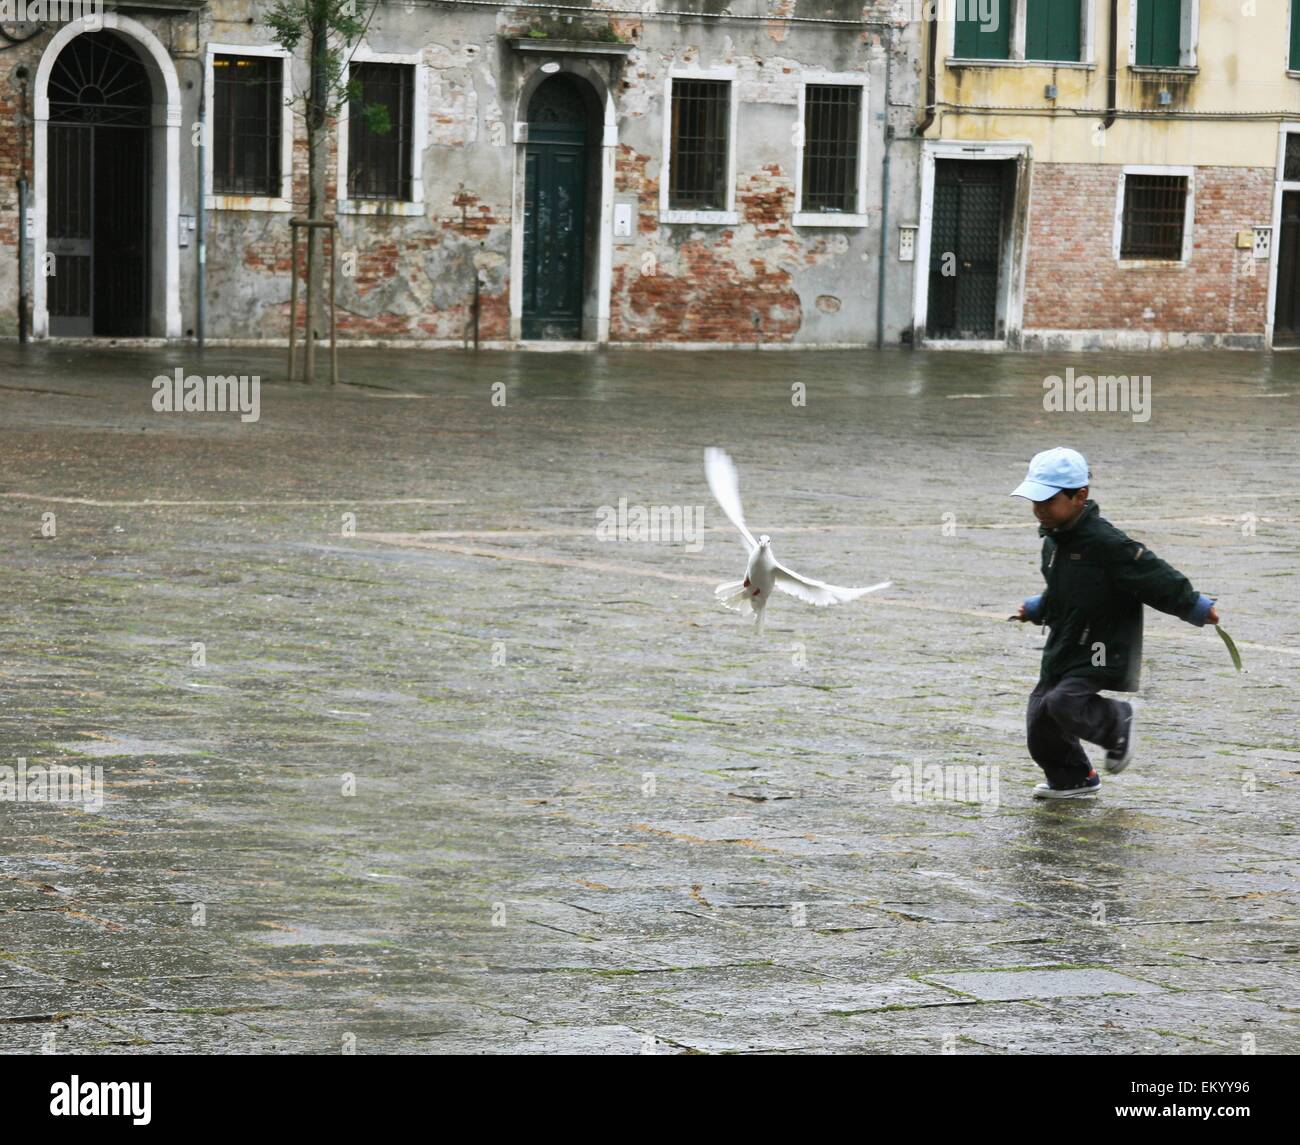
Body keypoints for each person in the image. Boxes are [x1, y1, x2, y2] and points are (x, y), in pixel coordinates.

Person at [1010, 447, 1219, 799]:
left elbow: (1154, 576)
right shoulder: (1054, 541)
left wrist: (1195, 606)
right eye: (1035, 500)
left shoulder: (1107, 543)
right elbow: (1061, 592)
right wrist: (1036, 608)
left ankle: (1117, 722)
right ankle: (1073, 778)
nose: (1040, 509)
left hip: (1102, 644)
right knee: (1040, 716)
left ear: (1081, 496)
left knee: (1064, 703)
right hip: (1066, 641)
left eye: (1048, 500)